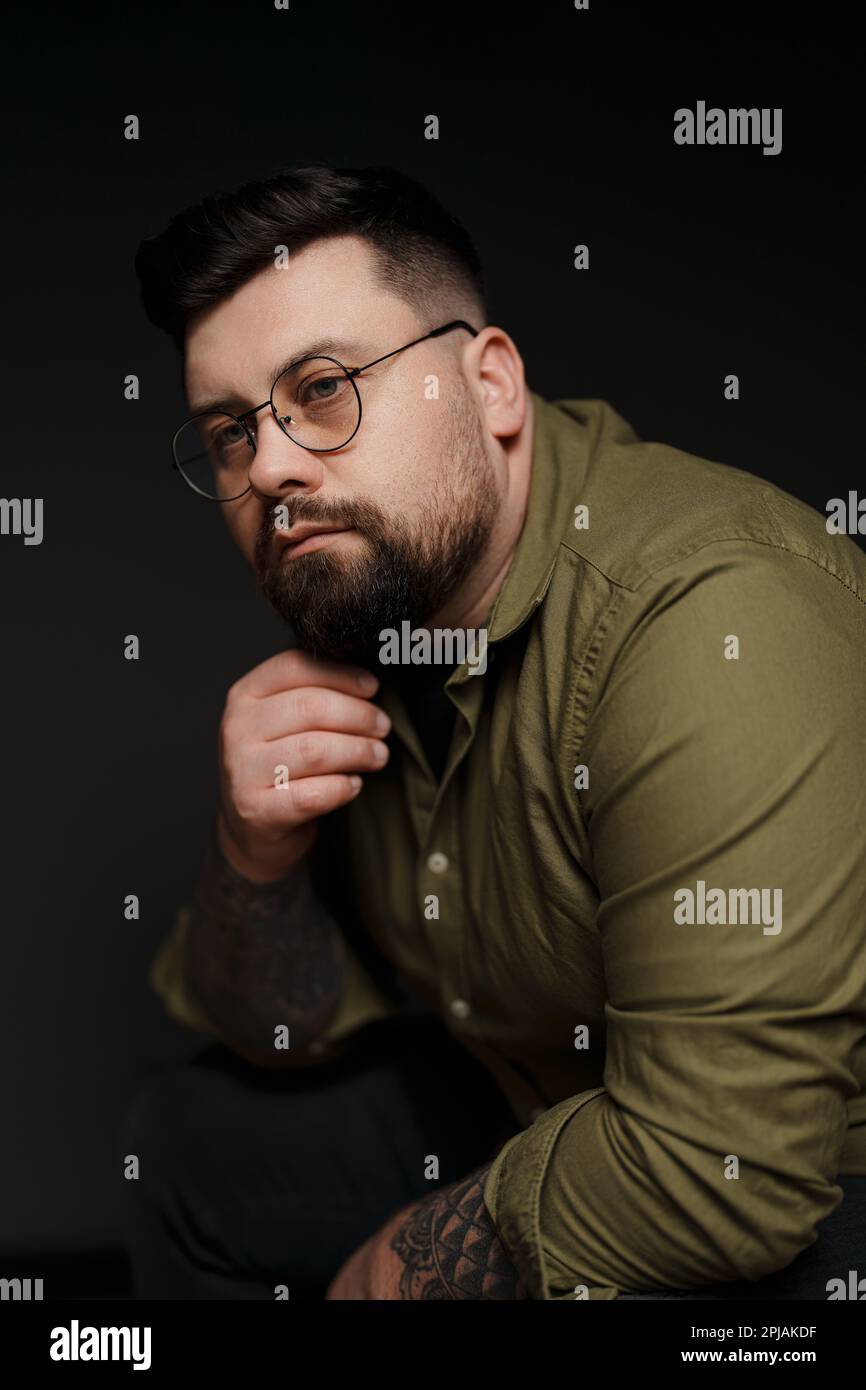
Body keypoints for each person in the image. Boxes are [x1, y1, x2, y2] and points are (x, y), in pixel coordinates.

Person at [121, 165, 866, 1300]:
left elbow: (726, 1169)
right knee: (196, 1142)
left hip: (804, 1188)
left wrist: (393, 1270)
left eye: (322, 386)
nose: (268, 464)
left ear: (492, 386)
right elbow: (273, 1035)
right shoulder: (376, 612)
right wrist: (250, 855)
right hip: (550, 1097)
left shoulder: (711, 611)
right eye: (230, 430)